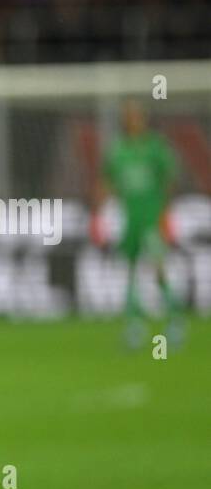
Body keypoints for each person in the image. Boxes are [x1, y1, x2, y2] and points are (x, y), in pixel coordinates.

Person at [98, 100, 183, 348]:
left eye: (137, 116)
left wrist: (163, 211)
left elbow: (169, 178)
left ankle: (175, 320)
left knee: (158, 268)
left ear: (143, 119)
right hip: (130, 219)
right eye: (129, 116)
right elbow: (108, 182)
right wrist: (102, 214)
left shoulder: (155, 147)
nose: (133, 120)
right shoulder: (118, 150)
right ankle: (135, 325)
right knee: (131, 269)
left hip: (152, 218)